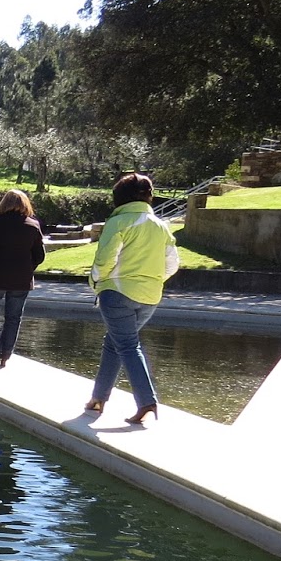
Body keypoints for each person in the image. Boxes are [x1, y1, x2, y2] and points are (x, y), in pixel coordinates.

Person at [85, 172, 179, 425]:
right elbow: (172, 264)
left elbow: (105, 260)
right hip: (150, 297)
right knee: (115, 343)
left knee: (127, 345)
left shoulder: (118, 223)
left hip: (117, 294)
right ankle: (98, 399)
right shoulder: (161, 226)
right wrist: (151, 280)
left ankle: (147, 402)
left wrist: (95, 281)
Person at [0, 189, 46, 367]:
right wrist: (28, 268)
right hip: (21, 279)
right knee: (14, 317)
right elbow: (39, 255)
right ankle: (5, 354)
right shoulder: (33, 225)